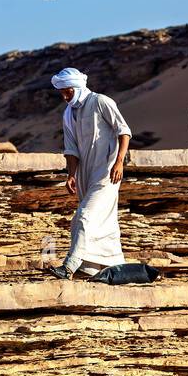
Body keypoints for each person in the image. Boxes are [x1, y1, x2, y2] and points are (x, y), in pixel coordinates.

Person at [46, 67, 132, 280]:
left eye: (68, 91)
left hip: (107, 173)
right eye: (62, 92)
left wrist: (119, 163)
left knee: (85, 217)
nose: (65, 96)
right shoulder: (68, 113)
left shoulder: (100, 101)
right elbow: (71, 149)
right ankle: (102, 268)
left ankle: (69, 267)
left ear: (77, 87)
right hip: (85, 174)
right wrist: (71, 175)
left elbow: (124, 131)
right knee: (91, 220)